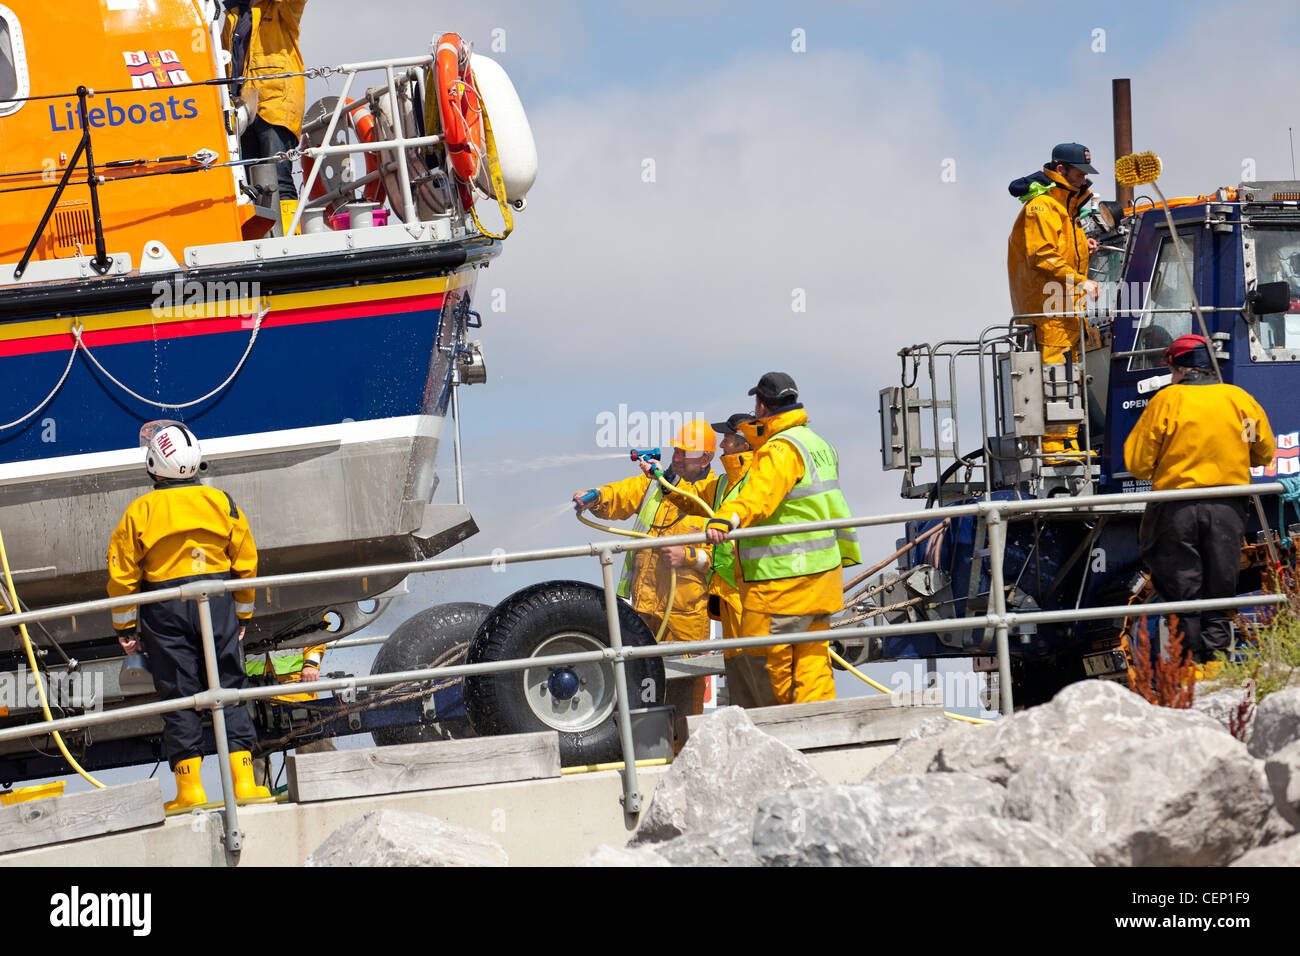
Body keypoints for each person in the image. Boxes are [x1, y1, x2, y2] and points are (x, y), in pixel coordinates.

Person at [108, 421, 269, 810]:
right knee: (230, 689)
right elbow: (246, 563)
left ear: (153, 464)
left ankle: (190, 791)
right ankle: (244, 784)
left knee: (179, 695)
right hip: (217, 602)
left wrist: (125, 627)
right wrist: (242, 615)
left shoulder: (140, 511)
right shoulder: (221, 502)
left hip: (165, 609)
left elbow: (122, 575)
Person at [705, 373, 861, 704]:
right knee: (812, 660)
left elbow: (758, 496)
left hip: (783, 579)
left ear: (761, 405)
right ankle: (818, 731)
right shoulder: (818, 444)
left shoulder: (780, 449)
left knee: (764, 658)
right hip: (822, 575)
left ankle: (779, 733)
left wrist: (725, 517)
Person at [1124, 334, 1275, 663]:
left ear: (1177, 368)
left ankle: (1192, 673)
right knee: (1218, 597)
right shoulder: (1240, 401)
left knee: (1184, 600)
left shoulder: (1167, 401)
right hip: (1228, 508)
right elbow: (1262, 451)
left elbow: (1137, 463)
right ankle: (1216, 670)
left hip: (1175, 510)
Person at [574, 420, 716, 742]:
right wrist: (595, 497)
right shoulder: (657, 484)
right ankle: (647, 759)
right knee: (643, 690)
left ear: (706, 458)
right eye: (676, 450)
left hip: (686, 618)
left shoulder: (713, 495)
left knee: (682, 694)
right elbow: (622, 494)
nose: (677, 457)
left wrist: (690, 558)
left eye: (685, 453)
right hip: (645, 612)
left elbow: (726, 556)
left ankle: (679, 757)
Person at [1007, 142, 1102, 455]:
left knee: (1065, 377)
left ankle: (1066, 443)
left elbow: (1057, 249)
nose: (1083, 179)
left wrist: (1082, 246)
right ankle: (1054, 447)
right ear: (1060, 169)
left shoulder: (1065, 209)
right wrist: (1081, 281)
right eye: (1078, 172)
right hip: (1047, 313)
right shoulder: (1043, 207)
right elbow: (1043, 256)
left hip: (1063, 311)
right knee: (1055, 377)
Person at [700, 414, 776, 708]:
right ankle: (749, 723)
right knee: (738, 667)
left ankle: (769, 723)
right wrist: (664, 480)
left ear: (743, 444)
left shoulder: (756, 481)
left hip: (749, 589)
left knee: (759, 663)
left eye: (727, 440)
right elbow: (690, 495)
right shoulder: (723, 484)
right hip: (728, 589)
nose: (721, 444)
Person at [222, 1, 308, 234]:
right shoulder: (233, 16)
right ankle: (263, 239)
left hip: (277, 103)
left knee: (278, 177)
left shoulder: (281, 8)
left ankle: (291, 238)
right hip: (243, 110)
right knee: (249, 183)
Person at [245, 641, 333, 789]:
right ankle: (258, 802)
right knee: (252, 755)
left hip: (296, 685)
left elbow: (318, 630)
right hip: (253, 688)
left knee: (313, 742)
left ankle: (325, 791)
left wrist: (311, 664)